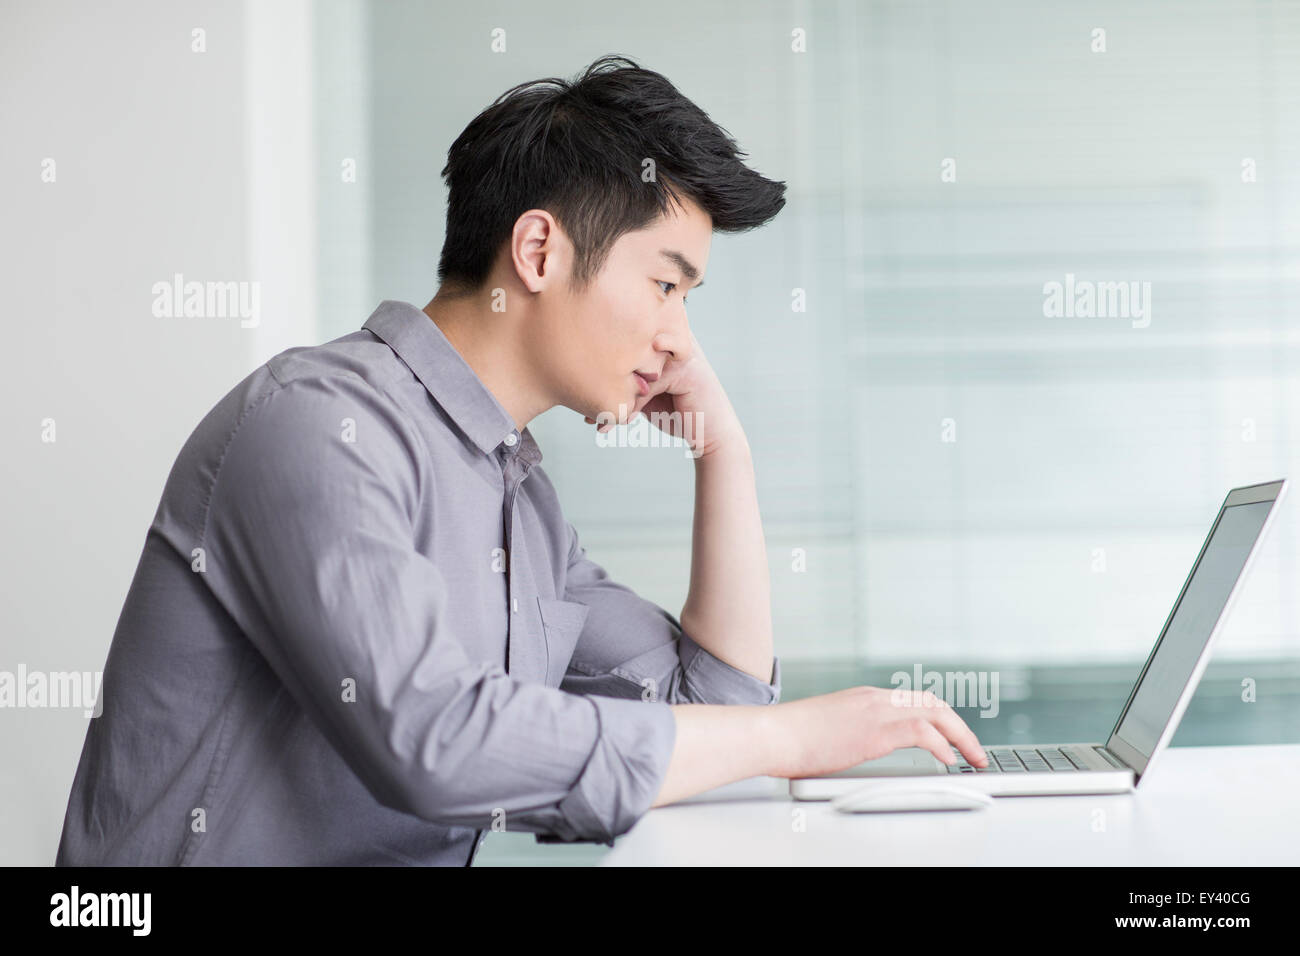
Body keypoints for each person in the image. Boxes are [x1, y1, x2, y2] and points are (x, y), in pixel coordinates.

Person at [55, 54, 986, 867]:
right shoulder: (320, 424)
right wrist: (792, 735)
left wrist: (724, 454)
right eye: (665, 284)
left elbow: (718, 708)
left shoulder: (523, 506)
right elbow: (434, 741)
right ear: (540, 250)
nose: (679, 341)